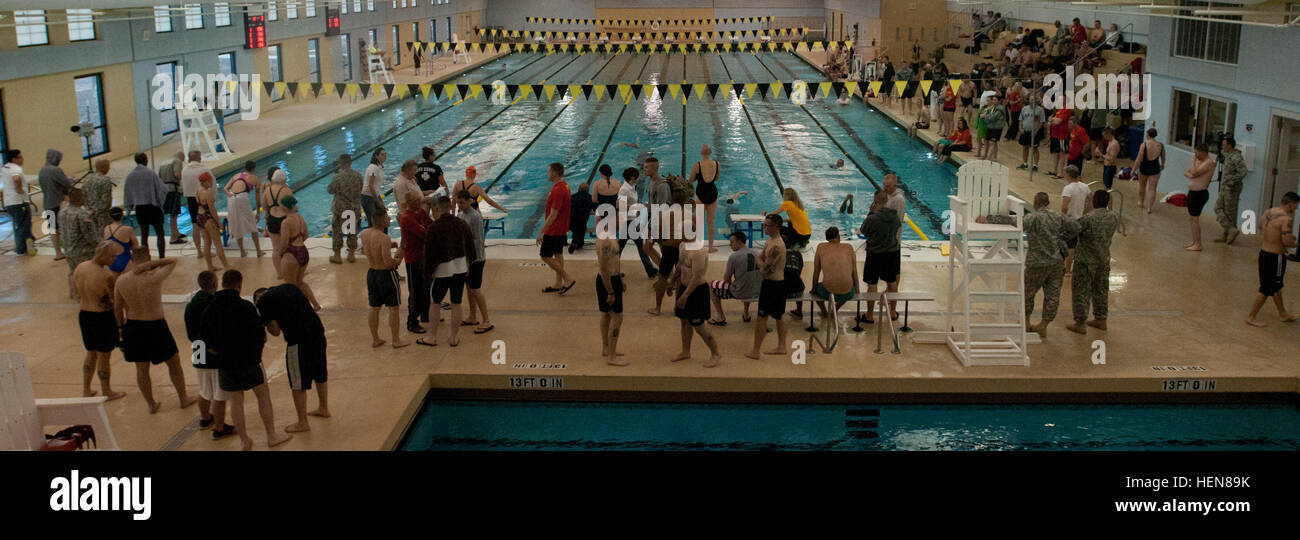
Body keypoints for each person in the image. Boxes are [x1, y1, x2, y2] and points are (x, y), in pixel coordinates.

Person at [201, 269, 292, 450]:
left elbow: (205, 342)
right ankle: (271, 436)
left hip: (225, 363)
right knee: (263, 395)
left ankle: (244, 440)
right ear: (238, 285)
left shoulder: (209, 309)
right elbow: (261, 336)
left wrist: (219, 354)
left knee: (236, 400)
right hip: (249, 360)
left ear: (222, 284)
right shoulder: (246, 307)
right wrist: (256, 353)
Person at [983, 192, 1081, 337]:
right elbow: (1076, 227)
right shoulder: (1058, 216)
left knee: (1028, 294)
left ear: (1035, 203)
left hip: (1037, 263)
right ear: (1047, 203)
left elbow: (1014, 221)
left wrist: (988, 218)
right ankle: (1043, 325)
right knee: (1053, 296)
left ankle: (1026, 322)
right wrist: (1061, 238)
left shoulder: (1033, 217)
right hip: (1056, 263)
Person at [112, 248, 195, 413]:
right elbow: (173, 261)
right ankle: (183, 398)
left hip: (133, 326)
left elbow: (117, 308)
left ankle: (151, 404)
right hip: (156, 325)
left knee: (141, 368)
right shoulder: (155, 276)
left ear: (132, 260)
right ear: (149, 258)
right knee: (173, 361)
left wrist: (120, 327)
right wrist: (149, 265)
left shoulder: (121, 280)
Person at [255, 282, 331, 433]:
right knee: (320, 373)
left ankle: (302, 422)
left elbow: (275, 331)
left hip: (298, 342)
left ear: (257, 299)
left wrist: (265, 320)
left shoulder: (263, 302)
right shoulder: (289, 287)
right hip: (318, 333)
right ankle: (324, 408)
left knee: (297, 383)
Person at [73, 241, 127, 401]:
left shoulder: (80, 267)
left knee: (90, 353)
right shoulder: (106, 276)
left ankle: (86, 389)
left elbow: (76, 291)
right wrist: (120, 323)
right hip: (102, 317)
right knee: (104, 355)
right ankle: (106, 390)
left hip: (84, 314)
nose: (114, 260)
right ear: (102, 255)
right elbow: (115, 302)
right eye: (112, 256)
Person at [420, 195, 477, 347]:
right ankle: (453, 337)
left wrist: (427, 273)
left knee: (435, 303)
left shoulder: (434, 227)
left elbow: (429, 253)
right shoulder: (461, 223)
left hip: (441, 271)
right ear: (450, 207)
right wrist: (468, 265)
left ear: (437, 208)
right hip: (460, 269)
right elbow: (471, 246)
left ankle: (431, 337)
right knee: (456, 303)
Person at [184, 270, 232, 438]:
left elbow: (190, 332)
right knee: (219, 391)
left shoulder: (191, 304)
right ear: (214, 283)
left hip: (197, 348)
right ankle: (219, 427)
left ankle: (205, 418)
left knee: (204, 388)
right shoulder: (215, 303)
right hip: (214, 351)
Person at [1065, 190, 1120, 334]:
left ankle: (1080, 322)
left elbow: (1072, 230)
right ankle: (1101, 319)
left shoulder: (1088, 218)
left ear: (1093, 202)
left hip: (1085, 260)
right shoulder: (1113, 217)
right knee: (1101, 289)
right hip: (1103, 259)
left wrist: (1085, 210)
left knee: (1081, 291)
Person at [670, 226, 721, 368]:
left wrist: (685, 296)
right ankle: (686, 352)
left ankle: (716, 353)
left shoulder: (698, 252)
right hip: (684, 288)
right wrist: (672, 281)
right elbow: (680, 266)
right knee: (684, 321)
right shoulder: (683, 245)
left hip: (697, 291)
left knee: (698, 326)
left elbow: (697, 277)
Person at [1245, 192, 1300, 326]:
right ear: (1290, 204)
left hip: (1264, 253)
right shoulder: (1286, 219)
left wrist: (1272, 237)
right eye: (1296, 206)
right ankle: (1251, 317)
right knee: (1266, 288)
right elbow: (1286, 241)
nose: (1296, 209)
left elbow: (1260, 228)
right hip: (1276, 257)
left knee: (1276, 285)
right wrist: (1295, 243)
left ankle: (1282, 313)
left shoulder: (1268, 212)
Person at [360, 211, 407, 348]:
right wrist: (397, 260)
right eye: (387, 218)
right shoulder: (383, 237)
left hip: (372, 273)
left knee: (374, 307)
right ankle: (396, 340)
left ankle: (376, 339)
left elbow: (368, 250)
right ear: (381, 221)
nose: (389, 219)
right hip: (386, 275)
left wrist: (388, 246)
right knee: (393, 308)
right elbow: (387, 262)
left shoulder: (365, 234)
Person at [747, 214, 788, 359]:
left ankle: (755, 351)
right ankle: (782, 347)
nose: (764, 227)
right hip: (776, 284)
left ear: (776, 227)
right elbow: (760, 259)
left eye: (767, 225)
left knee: (761, 317)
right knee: (778, 315)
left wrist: (761, 262)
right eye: (764, 225)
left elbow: (763, 270)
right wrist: (761, 262)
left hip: (773, 285)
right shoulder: (771, 240)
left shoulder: (776, 246)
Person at [860, 191, 902, 322]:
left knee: (872, 284)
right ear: (887, 201)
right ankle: (893, 312)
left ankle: (870, 315)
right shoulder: (895, 217)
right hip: (891, 253)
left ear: (875, 202)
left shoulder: (873, 218)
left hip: (875, 254)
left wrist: (871, 213)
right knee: (892, 282)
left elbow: (863, 231)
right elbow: (896, 229)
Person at [457, 189, 493, 335]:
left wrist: (470, 259)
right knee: (469, 288)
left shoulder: (475, 217)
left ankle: (486, 320)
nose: (459, 205)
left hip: (476, 258)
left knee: (475, 289)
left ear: (469, 201)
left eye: (462, 202)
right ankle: (472, 316)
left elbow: (478, 241)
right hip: (466, 258)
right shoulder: (460, 215)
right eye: (458, 202)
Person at [277, 195, 323, 311]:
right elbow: (306, 234)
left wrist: (280, 253)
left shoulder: (286, 222)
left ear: (285, 207)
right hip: (303, 250)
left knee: (290, 286)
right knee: (300, 282)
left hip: (291, 254)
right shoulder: (300, 218)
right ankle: (316, 305)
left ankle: (297, 310)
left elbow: (284, 242)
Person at [707, 231, 761, 325]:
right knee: (747, 278)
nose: (730, 245)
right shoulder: (757, 253)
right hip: (757, 291)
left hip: (741, 292)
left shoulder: (734, 257)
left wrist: (733, 285)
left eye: (732, 242)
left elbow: (727, 279)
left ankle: (720, 316)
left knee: (711, 286)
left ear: (739, 242)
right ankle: (746, 313)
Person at [594, 210, 627, 366]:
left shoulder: (611, 236)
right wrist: (611, 292)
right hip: (607, 281)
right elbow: (604, 268)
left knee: (606, 314)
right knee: (617, 317)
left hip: (614, 279)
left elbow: (616, 261)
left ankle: (606, 348)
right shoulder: (606, 240)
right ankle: (612, 357)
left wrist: (620, 279)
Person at [122, 153, 168, 259]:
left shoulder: (131, 175)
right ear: (146, 160)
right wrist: (160, 201)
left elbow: (127, 193)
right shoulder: (150, 173)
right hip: (153, 206)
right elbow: (162, 189)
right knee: (160, 233)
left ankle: (145, 257)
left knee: (144, 234)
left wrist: (128, 208)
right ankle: (162, 257)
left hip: (140, 208)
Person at [538, 162, 575, 294]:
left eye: (548, 171)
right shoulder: (564, 186)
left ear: (554, 172)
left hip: (553, 229)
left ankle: (567, 278)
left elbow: (554, 214)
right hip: (561, 228)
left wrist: (541, 231)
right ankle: (558, 283)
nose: (547, 174)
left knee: (545, 255)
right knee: (558, 254)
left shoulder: (558, 189)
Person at [399, 192, 433, 334]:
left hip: (424, 257)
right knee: (415, 291)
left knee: (426, 288)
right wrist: (427, 228)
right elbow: (424, 233)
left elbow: (431, 225)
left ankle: (425, 314)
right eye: (415, 201)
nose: (419, 202)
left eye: (419, 200)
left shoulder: (421, 212)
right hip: (413, 259)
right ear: (408, 202)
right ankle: (412, 322)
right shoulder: (406, 218)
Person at [617, 166, 659, 278]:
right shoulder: (624, 189)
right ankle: (651, 271)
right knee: (640, 247)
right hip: (627, 222)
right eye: (637, 177)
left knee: (621, 248)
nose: (639, 178)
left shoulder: (631, 187)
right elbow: (620, 206)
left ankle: (613, 271)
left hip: (631, 221)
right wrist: (636, 206)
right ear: (632, 178)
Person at [649, 191, 686, 316]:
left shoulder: (664, 215)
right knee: (681, 279)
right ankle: (678, 308)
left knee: (662, 278)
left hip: (668, 248)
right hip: (682, 249)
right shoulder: (690, 215)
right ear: (684, 202)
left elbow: (657, 233)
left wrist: (662, 245)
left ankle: (658, 308)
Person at [810, 227, 858, 320]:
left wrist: (813, 289)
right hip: (848, 293)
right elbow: (854, 272)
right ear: (838, 236)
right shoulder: (849, 247)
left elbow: (816, 272)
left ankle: (824, 312)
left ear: (827, 239)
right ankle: (835, 310)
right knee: (849, 290)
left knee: (815, 292)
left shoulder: (820, 247)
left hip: (828, 292)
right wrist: (857, 290)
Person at [58, 189, 98, 298]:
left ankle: (73, 293)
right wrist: (98, 245)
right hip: (82, 251)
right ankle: (85, 296)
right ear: (80, 199)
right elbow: (89, 236)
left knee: (72, 272)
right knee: (86, 274)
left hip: (67, 249)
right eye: (84, 197)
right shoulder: (82, 214)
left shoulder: (62, 212)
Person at [38, 148, 75, 261]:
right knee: (64, 227)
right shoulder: (55, 170)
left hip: (47, 203)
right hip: (58, 202)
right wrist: (70, 179)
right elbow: (66, 184)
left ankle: (58, 252)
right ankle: (68, 249)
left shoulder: (42, 170)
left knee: (53, 228)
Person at [328, 153, 363, 264]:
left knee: (337, 231)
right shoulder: (358, 176)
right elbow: (361, 189)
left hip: (340, 208)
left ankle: (337, 256)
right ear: (350, 162)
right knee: (352, 230)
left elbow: (330, 190)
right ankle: (351, 255)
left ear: (340, 164)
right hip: (353, 208)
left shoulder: (337, 177)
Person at [225, 161, 265, 258]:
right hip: (242, 198)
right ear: (254, 169)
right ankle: (258, 251)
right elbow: (257, 198)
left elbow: (225, 188)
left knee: (237, 226)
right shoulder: (255, 179)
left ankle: (242, 252)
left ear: (245, 168)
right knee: (253, 225)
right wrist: (258, 212)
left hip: (231, 199)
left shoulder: (236, 175)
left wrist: (229, 194)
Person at [1215, 136, 1248, 245]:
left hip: (1231, 189)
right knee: (1219, 208)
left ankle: (1228, 232)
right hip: (1225, 187)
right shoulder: (1228, 155)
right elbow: (1221, 153)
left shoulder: (1236, 158)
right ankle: (1229, 230)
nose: (1222, 147)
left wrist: (1231, 180)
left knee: (1230, 212)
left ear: (1229, 145)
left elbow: (1243, 172)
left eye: (1224, 145)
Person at [262, 169, 295, 278]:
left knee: (276, 248)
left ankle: (279, 273)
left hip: (272, 220)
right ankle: (289, 270)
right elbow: (293, 208)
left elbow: (265, 208)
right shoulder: (286, 190)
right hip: (283, 220)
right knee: (287, 246)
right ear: (283, 179)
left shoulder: (267, 190)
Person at [1183, 143, 1216, 252]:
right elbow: (1187, 172)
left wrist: (1193, 164)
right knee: (1192, 218)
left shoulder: (1209, 163)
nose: (1195, 155)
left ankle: (1198, 244)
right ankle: (1195, 241)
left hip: (1200, 193)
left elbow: (1194, 172)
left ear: (1203, 152)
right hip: (1193, 193)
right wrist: (1192, 173)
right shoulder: (1199, 161)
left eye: (1196, 153)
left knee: (1195, 218)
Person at [689, 144, 721, 252]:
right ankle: (711, 247)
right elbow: (716, 179)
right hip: (713, 194)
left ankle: (698, 244)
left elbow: (691, 180)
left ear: (701, 153)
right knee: (711, 221)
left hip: (700, 195)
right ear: (710, 153)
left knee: (699, 221)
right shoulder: (717, 164)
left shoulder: (697, 165)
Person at [3, 150, 35, 256]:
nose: (22, 159)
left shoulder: (5, 167)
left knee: (20, 224)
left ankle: (26, 243)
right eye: (20, 157)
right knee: (24, 225)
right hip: (18, 202)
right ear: (14, 159)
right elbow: (16, 178)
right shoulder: (15, 168)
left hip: (9, 202)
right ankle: (22, 248)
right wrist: (19, 190)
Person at [195, 172, 229, 270]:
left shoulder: (198, 191)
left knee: (206, 242)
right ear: (205, 181)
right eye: (210, 181)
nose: (211, 183)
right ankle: (225, 265)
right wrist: (219, 223)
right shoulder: (208, 192)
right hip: (208, 218)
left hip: (200, 217)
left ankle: (210, 266)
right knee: (218, 243)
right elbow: (212, 210)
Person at [1061, 165, 1091, 272]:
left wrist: (1063, 218)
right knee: (1077, 245)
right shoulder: (1085, 187)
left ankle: (1067, 270)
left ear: (1068, 175)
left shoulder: (1068, 189)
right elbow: (1090, 200)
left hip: (1070, 220)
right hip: (1081, 219)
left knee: (1070, 246)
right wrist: (1085, 212)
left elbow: (1064, 207)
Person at [180, 151, 211, 253]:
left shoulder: (184, 170)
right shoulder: (203, 169)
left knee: (195, 225)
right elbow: (212, 185)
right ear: (198, 158)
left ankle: (199, 251)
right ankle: (208, 251)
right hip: (202, 199)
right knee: (206, 226)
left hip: (190, 199)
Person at [1133, 128, 1165, 213]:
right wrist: (1162, 165)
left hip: (1144, 167)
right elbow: (1163, 157)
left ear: (1148, 135)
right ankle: (1149, 208)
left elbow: (1139, 159)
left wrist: (1133, 170)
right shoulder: (1160, 145)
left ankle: (1141, 202)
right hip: (1155, 168)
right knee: (1152, 189)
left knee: (1142, 186)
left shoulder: (1144, 144)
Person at [159, 151, 186, 245]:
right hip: (173, 189)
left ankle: (176, 233)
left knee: (172, 214)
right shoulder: (177, 161)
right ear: (182, 157)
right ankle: (173, 238)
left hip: (164, 190)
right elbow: (177, 174)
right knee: (174, 214)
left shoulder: (163, 163)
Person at [83, 158, 115, 232]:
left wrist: (90, 210)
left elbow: (83, 196)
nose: (109, 168)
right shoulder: (105, 180)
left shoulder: (87, 179)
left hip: (89, 214)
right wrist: (96, 211)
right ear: (103, 168)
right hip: (102, 216)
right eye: (108, 166)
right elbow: (105, 201)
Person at [102, 207, 137, 273]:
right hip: (125, 261)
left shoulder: (106, 228)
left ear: (110, 217)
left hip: (110, 261)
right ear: (122, 215)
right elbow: (135, 247)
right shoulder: (128, 229)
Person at [1017, 95, 1047, 171]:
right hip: (1025, 132)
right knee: (1025, 148)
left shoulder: (1040, 110)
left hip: (1034, 133)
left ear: (1036, 101)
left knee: (1034, 149)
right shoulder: (1024, 108)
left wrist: (1036, 131)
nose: (1032, 101)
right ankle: (1025, 163)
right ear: (1029, 100)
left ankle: (1035, 165)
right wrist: (1020, 128)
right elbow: (1021, 119)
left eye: (1034, 100)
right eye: (1031, 100)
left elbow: (1041, 122)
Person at [362, 148, 388, 231]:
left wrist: (380, 201)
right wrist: (378, 202)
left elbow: (376, 188)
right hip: (367, 197)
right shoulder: (373, 167)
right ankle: (371, 242)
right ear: (376, 156)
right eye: (382, 154)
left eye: (385, 154)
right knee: (374, 223)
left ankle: (383, 239)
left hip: (374, 196)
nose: (385, 156)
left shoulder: (380, 167)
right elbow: (371, 185)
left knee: (383, 219)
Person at [568, 183, 595, 253]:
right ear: (588, 190)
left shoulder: (572, 196)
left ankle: (574, 242)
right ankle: (577, 244)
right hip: (582, 220)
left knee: (576, 229)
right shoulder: (590, 197)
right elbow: (596, 207)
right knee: (581, 228)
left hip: (571, 220)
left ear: (578, 189)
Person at [978, 95, 1007, 161]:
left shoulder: (1000, 109)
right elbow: (988, 117)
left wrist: (985, 116)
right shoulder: (993, 108)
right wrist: (986, 114)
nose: (993, 101)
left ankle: (988, 158)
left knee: (992, 142)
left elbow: (992, 118)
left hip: (996, 128)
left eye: (995, 100)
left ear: (999, 101)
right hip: (990, 127)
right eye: (993, 100)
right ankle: (994, 157)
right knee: (993, 143)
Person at [1047, 108, 1072, 178]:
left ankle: (1060, 173)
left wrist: (1053, 120)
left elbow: (1058, 121)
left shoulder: (1066, 110)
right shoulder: (1057, 110)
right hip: (1054, 135)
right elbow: (1049, 120)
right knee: (1055, 153)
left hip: (1062, 136)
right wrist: (1053, 120)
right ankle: (1054, 171)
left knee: (1062, 154)